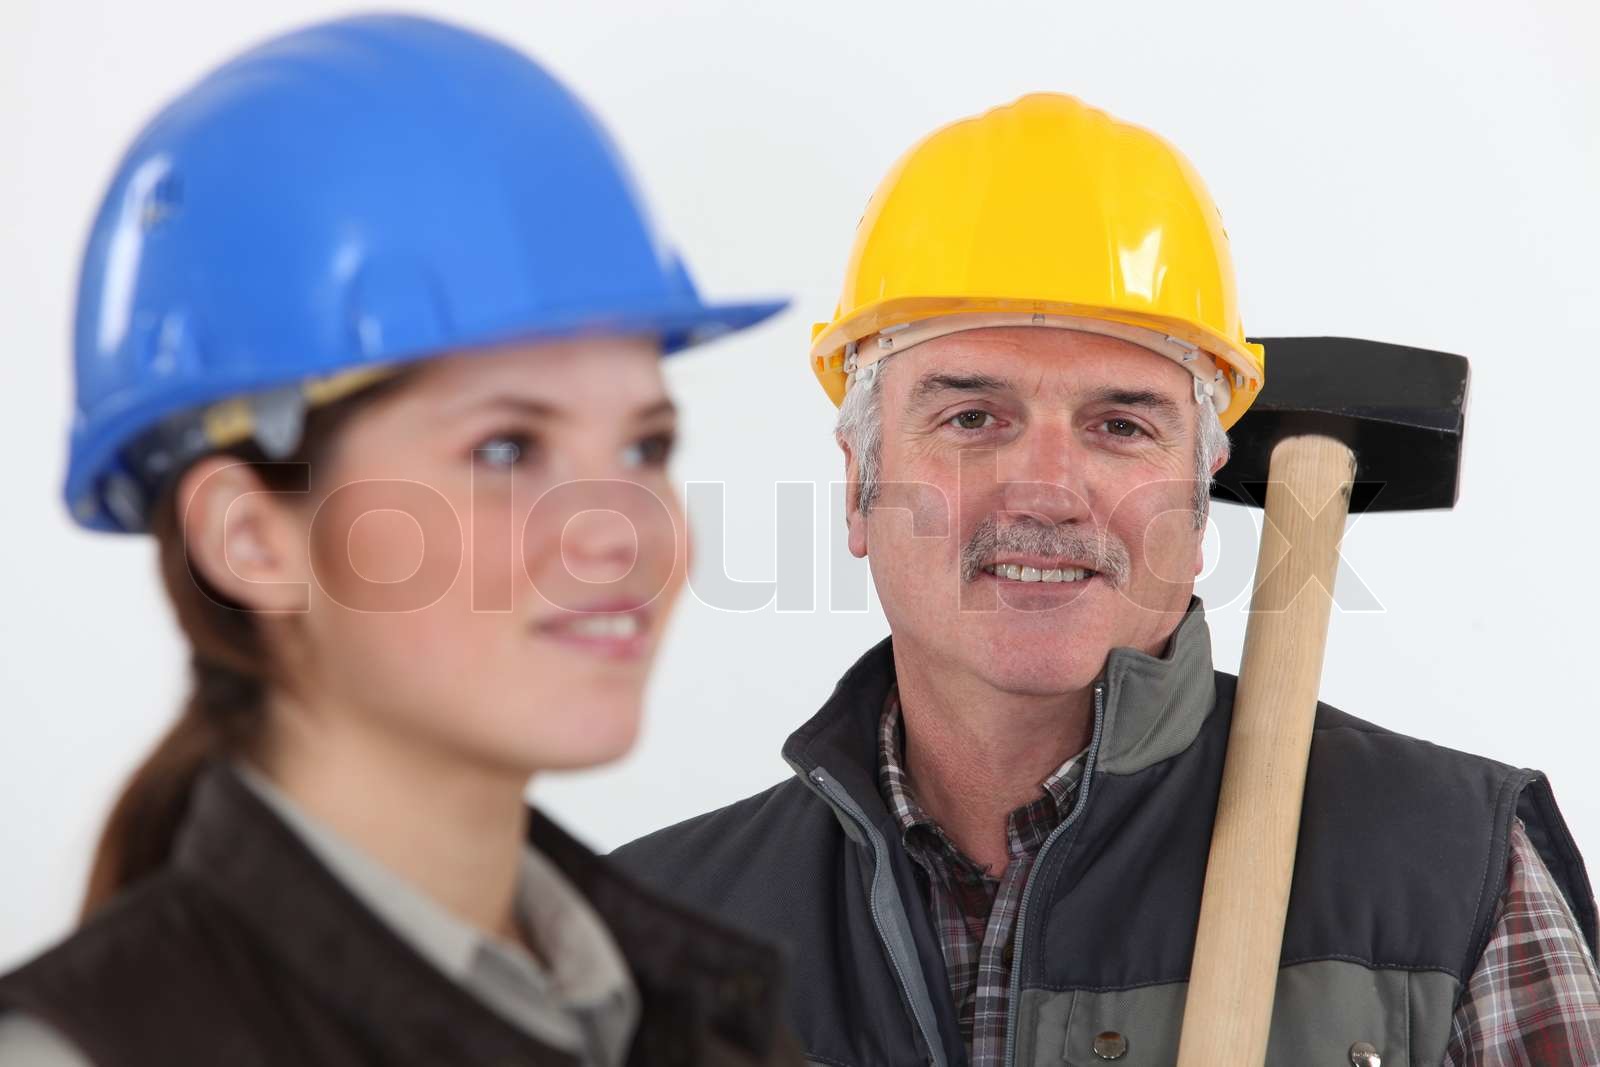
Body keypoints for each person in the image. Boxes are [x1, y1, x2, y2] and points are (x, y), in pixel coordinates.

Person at [615, 94, 1600, 1065]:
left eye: (1120, 425)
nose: (1046, 491)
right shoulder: (638, 943)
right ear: (858, 486)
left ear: (1198, 491)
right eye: (972, 418)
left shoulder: (1455, 881)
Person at [0, 15, 800, 1067]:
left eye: (645, 443)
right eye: (508, 447)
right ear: (251, 539)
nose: (623, 531)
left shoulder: (695, 1018)